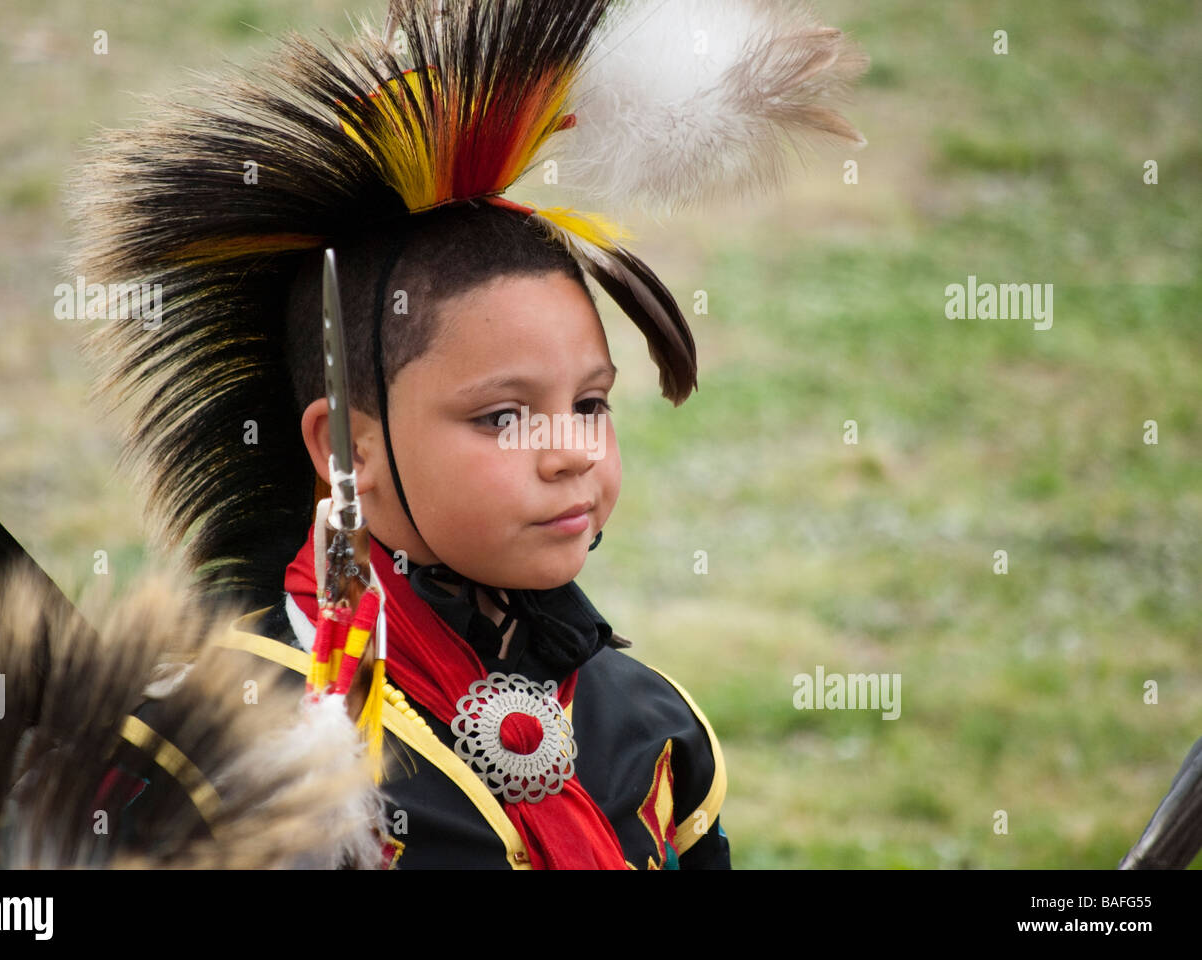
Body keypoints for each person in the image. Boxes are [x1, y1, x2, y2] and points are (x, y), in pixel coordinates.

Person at [71, 0, 866, 868]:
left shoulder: (651, 727)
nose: (569, 452)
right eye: (503, 417)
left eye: (590, 405)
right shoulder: (213, 751)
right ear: (348, 450)